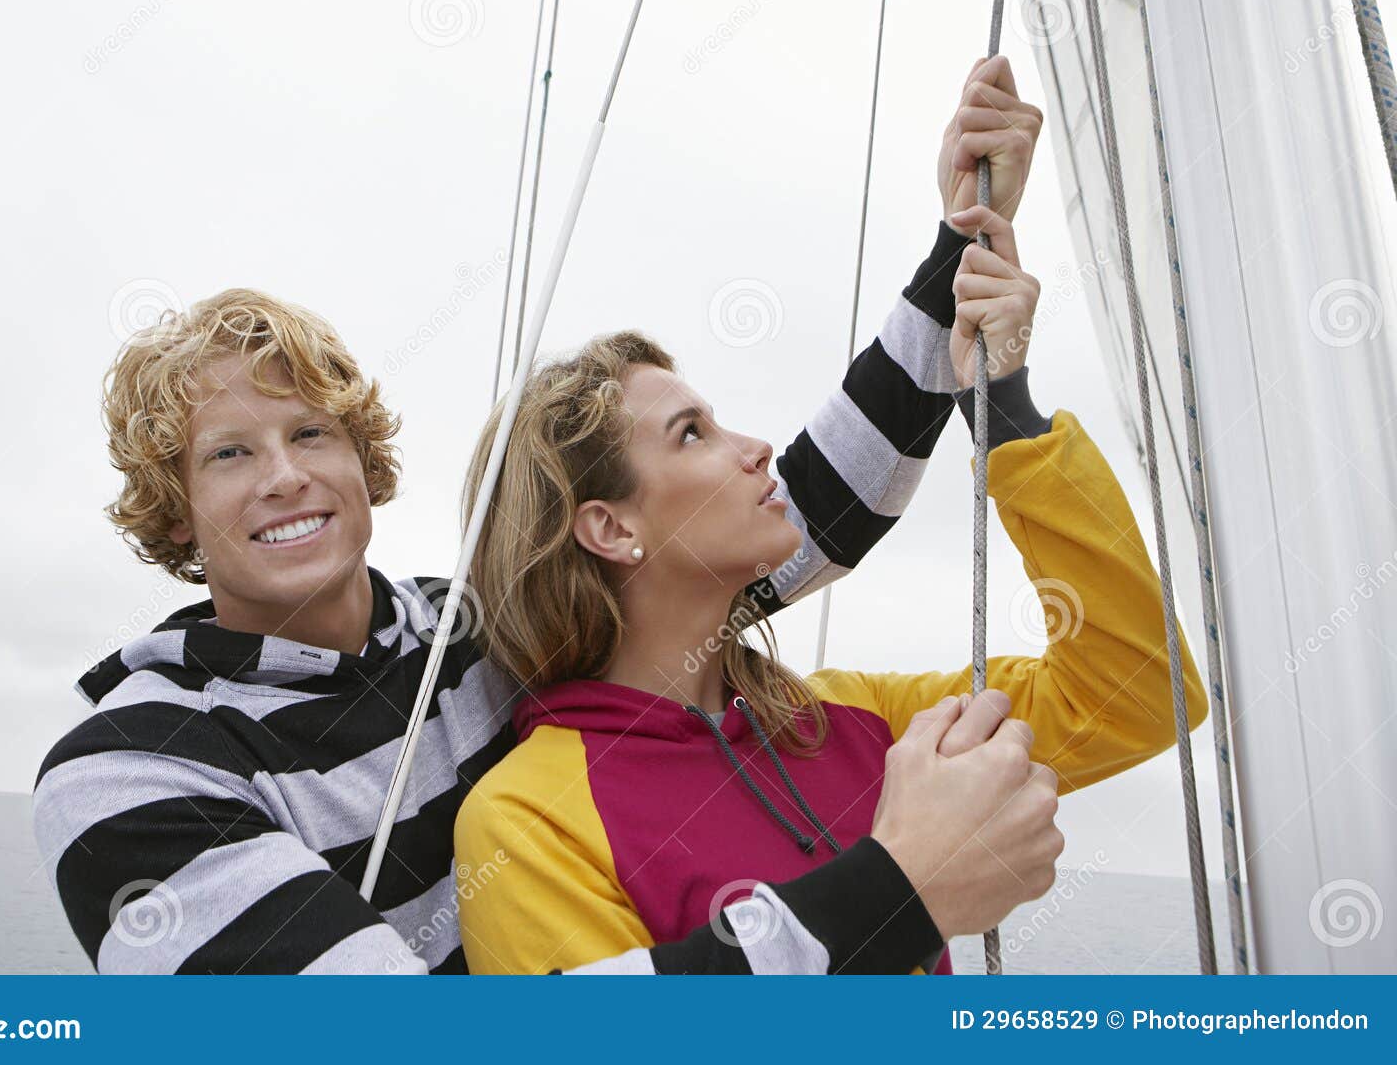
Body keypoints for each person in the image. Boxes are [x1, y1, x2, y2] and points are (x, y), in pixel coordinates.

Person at [32, 59, 1058, 974]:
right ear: (173, 516)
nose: (283, 476)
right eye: (227, 455)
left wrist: (957, 249)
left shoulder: (474, 639)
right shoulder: (129, 767)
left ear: (363, 460)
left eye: (311, 435)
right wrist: (895, 891)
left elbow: (795, 516)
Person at [452, 205, 1208, 974]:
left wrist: (1004, 402)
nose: (756, 448)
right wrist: (906, 893)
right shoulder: (526, 822)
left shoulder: (859, 721)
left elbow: (1141, 694)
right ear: (609, 530)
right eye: (692, 433)